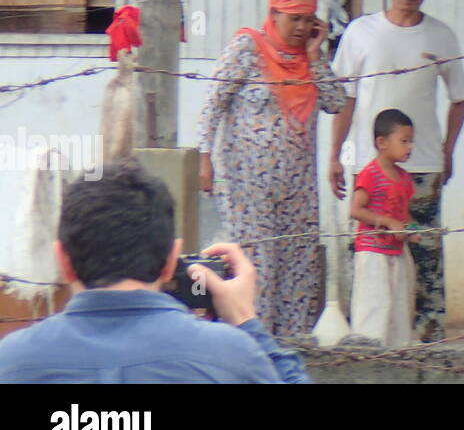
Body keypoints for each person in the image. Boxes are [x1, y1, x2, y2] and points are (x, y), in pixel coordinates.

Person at [0, 161, 308, 383]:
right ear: (170, 261)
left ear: (63, 261)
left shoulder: (11, 363)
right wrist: (245, 321)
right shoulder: (231, 357)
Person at [330, 0, 464, 342]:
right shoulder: (361, 32)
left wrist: (448, 150)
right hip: (371, 171)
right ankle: (368, 345)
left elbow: (459, 97)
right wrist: (335, 155)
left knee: (425, 259)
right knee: (369, 258)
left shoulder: (441, 36)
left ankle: (427, 347)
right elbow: (345, 97)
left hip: (421, 170)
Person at [197, 0, 345, 337]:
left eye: (308, 19)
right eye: (293, 18)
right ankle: (252, 351)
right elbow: (212, 105)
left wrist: (314, 59)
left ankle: (290, 352)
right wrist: (205, 158)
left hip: (297, 190)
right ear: (273, 15)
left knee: (297, 274)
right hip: (249, 188)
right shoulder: (247, 48)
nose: (300, 27)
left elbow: (336, 102)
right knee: (256, 269)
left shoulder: (309, 61)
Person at [349, 110, 418, 349]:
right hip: (373, 253)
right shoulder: (370, 174)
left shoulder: (404, 179)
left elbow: (404, 213)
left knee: (400, 306)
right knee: (374, 306)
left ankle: (398, 354)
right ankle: (368, 353)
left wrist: (413, 229)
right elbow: (356, 209)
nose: (409, 147)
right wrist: (385, 221)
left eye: (411, 141)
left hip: (397, 253)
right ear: (382, 142)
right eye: (404, 141)